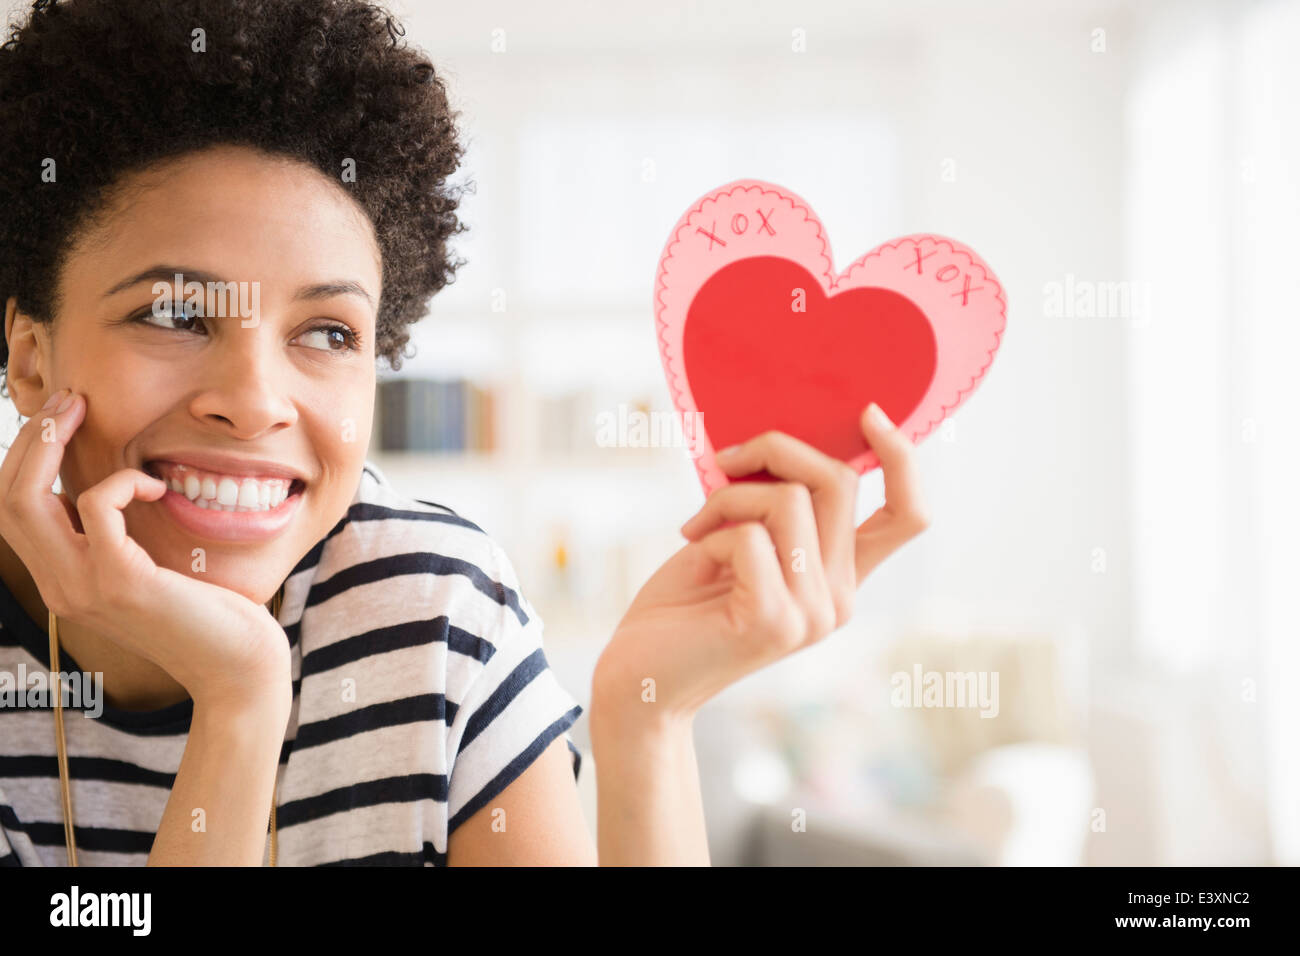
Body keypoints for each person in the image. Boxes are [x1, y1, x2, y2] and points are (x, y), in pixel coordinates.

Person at [0, 0, 929, 866]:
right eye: (174, 314)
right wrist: (240, 703)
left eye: (327, 333)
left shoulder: (434, 610)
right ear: (33, 357)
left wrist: (652, 716)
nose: (254, 402)